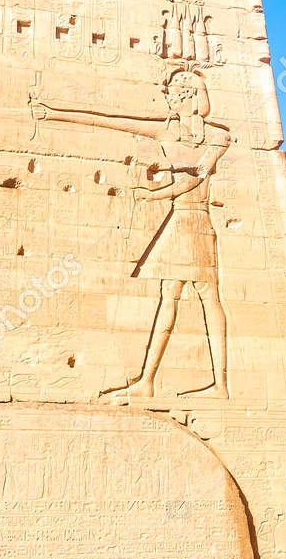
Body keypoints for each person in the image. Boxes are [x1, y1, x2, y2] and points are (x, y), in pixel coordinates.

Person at [33, 69, 229, 398]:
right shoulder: (165, 132)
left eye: (175, 96)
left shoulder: (218, 136)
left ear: (191, 98)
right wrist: (54, 113)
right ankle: (147, 381)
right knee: (171, 298)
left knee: (209, 297)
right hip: (179, 221)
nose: (170, 101)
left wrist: (153, 195)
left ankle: (221, 385)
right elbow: (109, 120)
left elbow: (195, 176)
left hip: (196, 221)